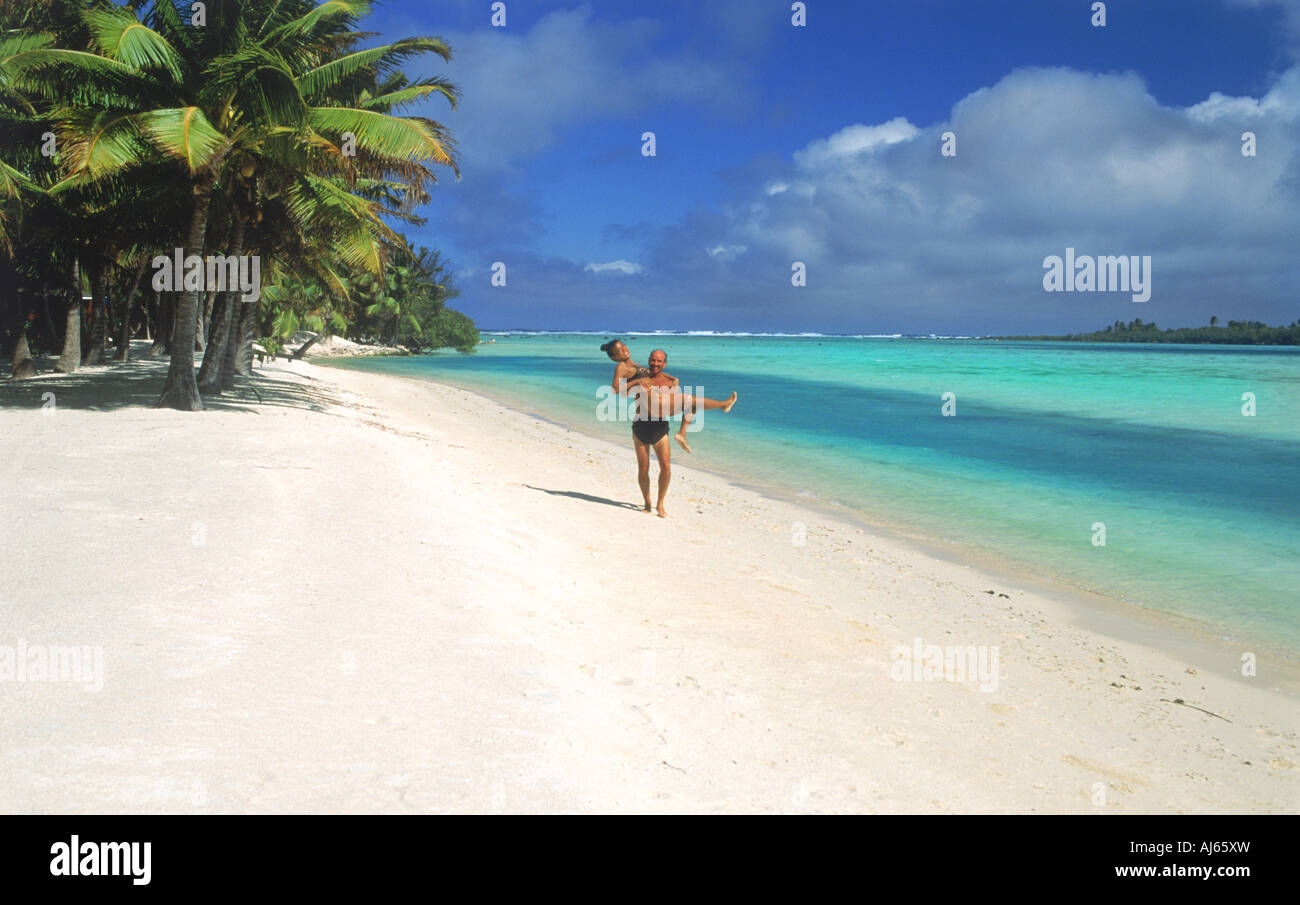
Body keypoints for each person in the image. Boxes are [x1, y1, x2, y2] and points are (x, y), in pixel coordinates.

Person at [599, 340, 738, 517]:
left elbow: (654, 374)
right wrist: (638, 382)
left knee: (665, 466)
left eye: (625, 347)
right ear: (614, 356)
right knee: (643, 468)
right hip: (641, 423)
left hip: (659, 424)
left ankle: (661, 504)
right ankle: (648, 503)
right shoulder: (621, 367)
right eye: (620, 351)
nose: (625, 351)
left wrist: (671, 379)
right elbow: (616, 390)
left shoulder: (635, 364)